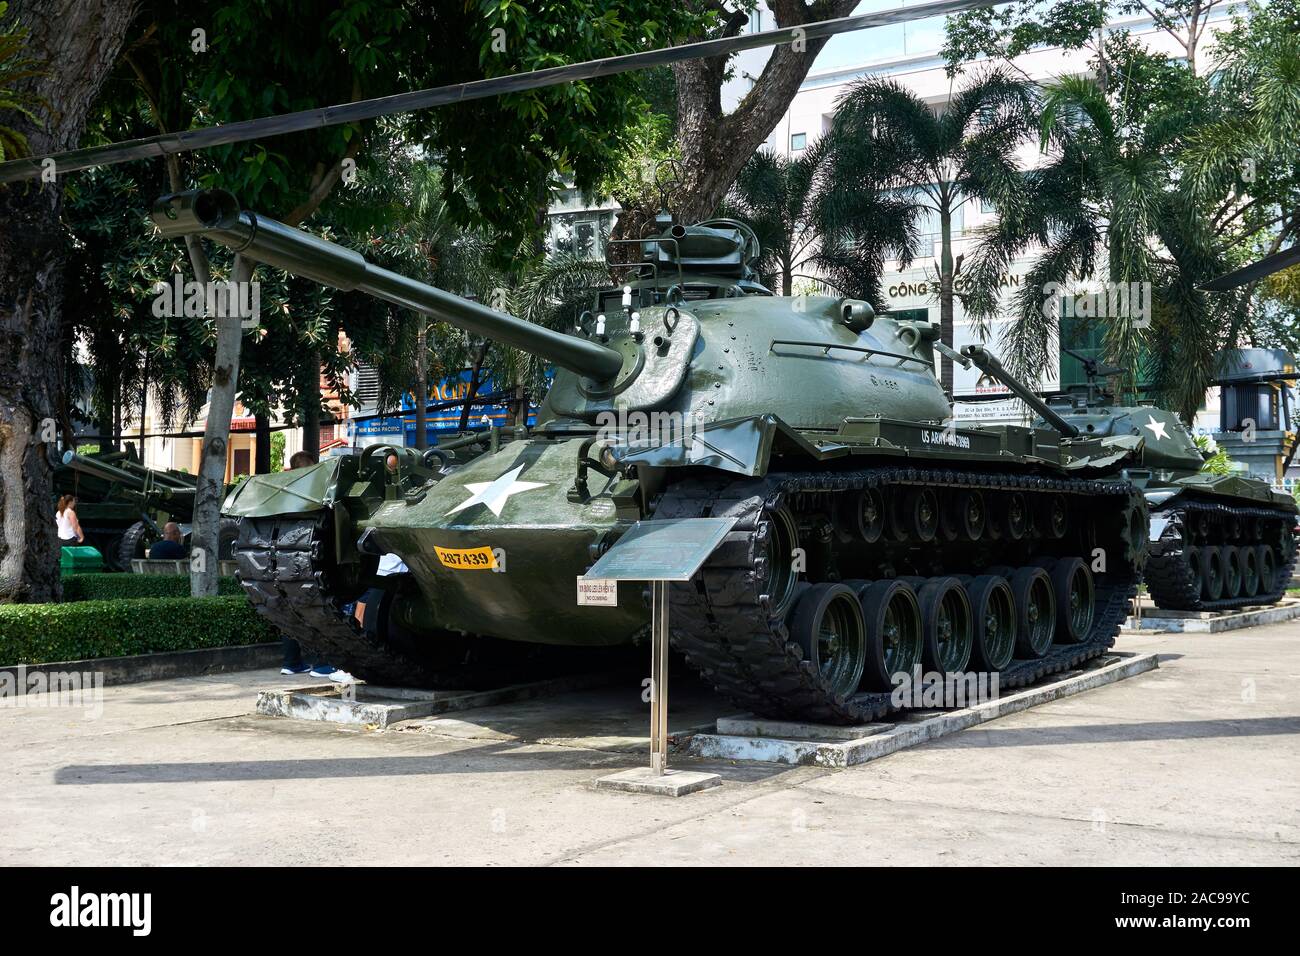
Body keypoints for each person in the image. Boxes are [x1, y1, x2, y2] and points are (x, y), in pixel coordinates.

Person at [278, 447, 352, 681]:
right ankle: (322, 664)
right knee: (322, 611)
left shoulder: (281, 493)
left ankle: (291, 663)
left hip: (284, 562)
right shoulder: (319, 492)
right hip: (313, 562)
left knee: (291, 613)